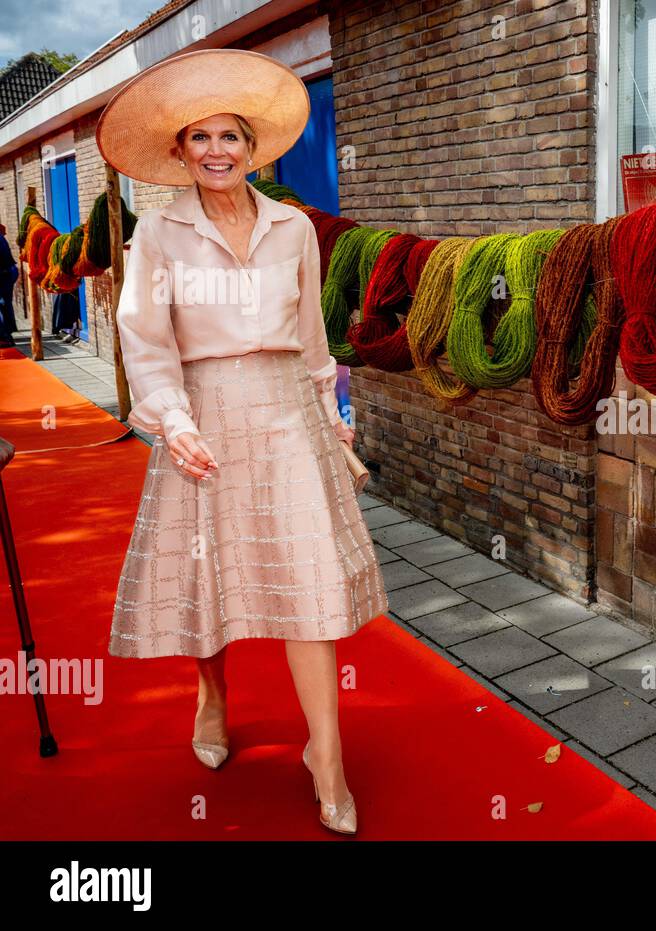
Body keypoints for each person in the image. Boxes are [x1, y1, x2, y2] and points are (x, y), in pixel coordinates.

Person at [96, 48, 388, 836]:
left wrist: (335, 409)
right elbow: (146, 339)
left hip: (289, 409)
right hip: (201, 412)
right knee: (209, 576)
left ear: (252, 149)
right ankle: (213, 696)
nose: (218, 151)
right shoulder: (157, 234)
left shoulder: (295, 226)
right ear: (181, 152)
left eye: (231, 136)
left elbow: (311, 334)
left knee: (310, 585)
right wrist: (174, 419)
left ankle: (325, 755)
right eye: (201, 138)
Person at [0, 224, 17, 348]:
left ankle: (5, 337)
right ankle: (7, 335)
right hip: (7, 272)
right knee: (5, 303)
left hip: (4, 273)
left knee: (3, 303)